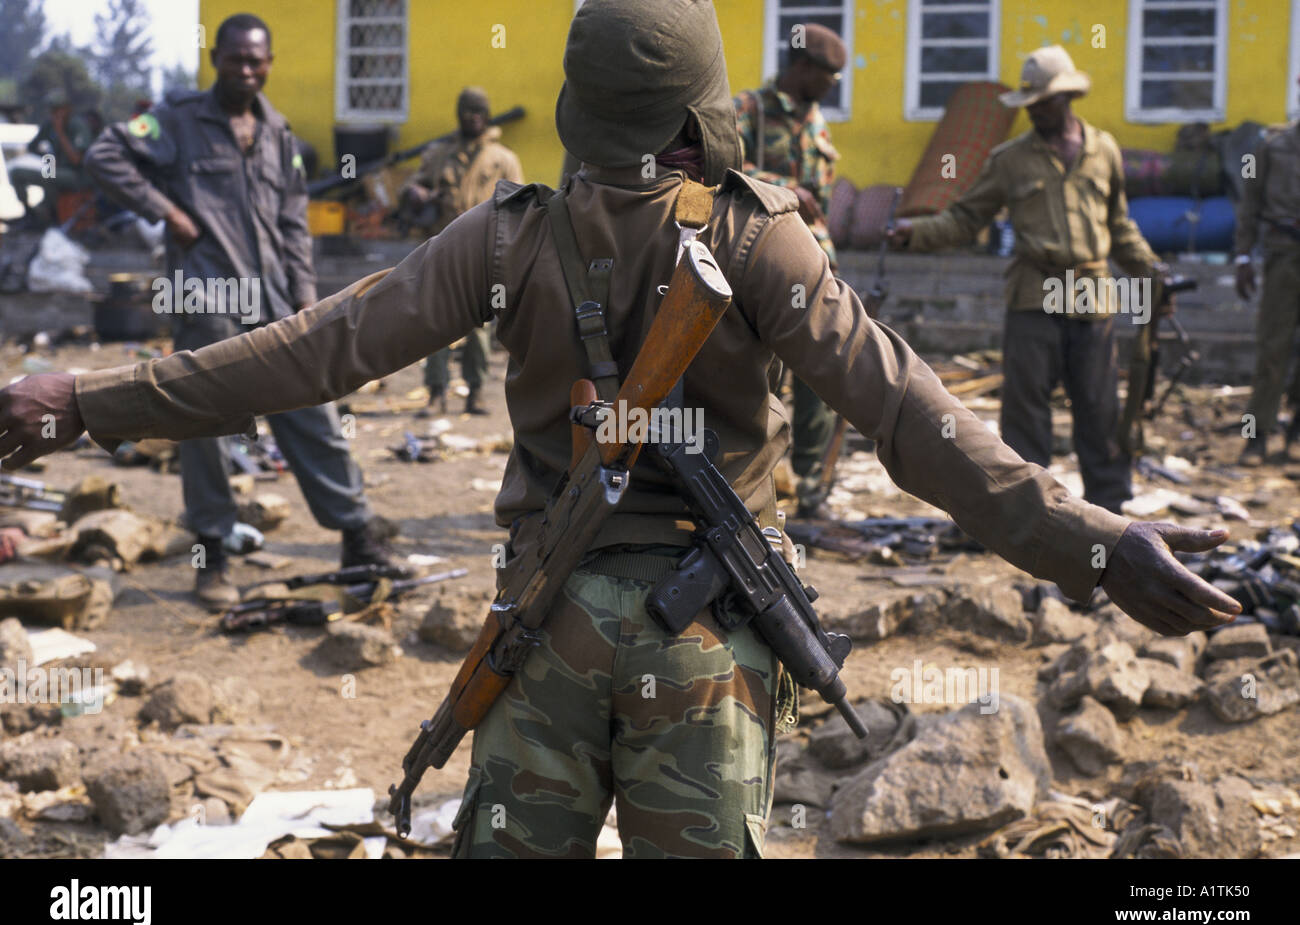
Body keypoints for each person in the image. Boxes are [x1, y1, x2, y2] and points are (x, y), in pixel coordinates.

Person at [0, 0, 1238, 859]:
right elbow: (910, 415)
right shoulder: (763, 235)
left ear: (580, 107)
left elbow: (313, 350)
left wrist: (83, 403)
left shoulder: (503, 237)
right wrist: (1089, 542)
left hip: (536, 639)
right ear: (703, 107)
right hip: (706, 658)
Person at [82, 13, 391, 610]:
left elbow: (294, 221)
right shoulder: (174, 119)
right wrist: (166, 211)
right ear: (216, 58)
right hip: (207, 299)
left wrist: (306, 296)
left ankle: (357, 536)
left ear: (269, 63)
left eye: (257, 61)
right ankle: (213, 556)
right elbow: (105, 154)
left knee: (311, 411)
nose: (246, 70)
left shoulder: (278, 134)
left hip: (275, 301)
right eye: (235, 59)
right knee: (205, 428)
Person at [890, 45, 1165, 515]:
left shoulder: (1104, 151)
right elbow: (964, 218)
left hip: (1092, 295)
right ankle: (1030, 515)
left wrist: (1154, 275)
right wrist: (913, 234)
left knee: (1100, 411)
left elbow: (1119, 226)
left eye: (1044, 103)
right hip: (1034, 296)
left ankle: (1111, 514)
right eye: (1031, 105)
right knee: (1027, 415)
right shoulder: (1009, 159)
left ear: (1066, 99)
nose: (1035, 112)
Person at [734, 24, 844, 518]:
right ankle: (755, 492)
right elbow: (722, 173)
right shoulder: (749, 110)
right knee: (760, 383)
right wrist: (786, 189)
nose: (834, 85)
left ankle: (812, 490)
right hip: (762, 267)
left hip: (817, 266)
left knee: (821, 378)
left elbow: (820, 198)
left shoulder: (817, 122)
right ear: (801, 68)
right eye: (828, 75)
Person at [399, 87, 524, 417]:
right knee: (435, 325)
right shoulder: (438, 154)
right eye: (466, 112)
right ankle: (436, 393)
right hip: (440, 251)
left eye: (478, 112)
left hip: (484, 256)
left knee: (479, 331)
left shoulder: (503, 159)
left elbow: (520, 207)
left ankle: (476, 393)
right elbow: (413, 188)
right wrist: (416, 193)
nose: (471, 117)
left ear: (487, 115)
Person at [1233, 82, 1300, 466]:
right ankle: (1255, 436)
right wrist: (1243, 257)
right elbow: (1250, 204)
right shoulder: (1272, 145)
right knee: (1272, 348)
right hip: (1283, 254)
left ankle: (1296, 434)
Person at [10, 90, 94, 230]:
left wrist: (60, 132)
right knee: (18, 173)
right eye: (52, 109)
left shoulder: (77, 126)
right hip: (56, 169)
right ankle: (31, 215)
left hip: (77, 175)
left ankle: (47, 216)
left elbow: (76, 160)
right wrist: (48, 157)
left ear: (67, 108)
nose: (55, 113)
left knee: (49, 176)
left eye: (58, 108)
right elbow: (32, 147)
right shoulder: (49, 125)